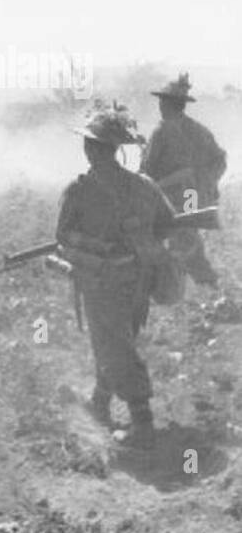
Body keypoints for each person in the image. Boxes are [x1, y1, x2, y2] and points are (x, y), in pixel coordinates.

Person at [57, 103, 177, 447]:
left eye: (88, 143)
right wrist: (138, 239)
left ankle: (143, 422)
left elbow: (63, 236)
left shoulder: (79, 189)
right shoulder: (144, 185)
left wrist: (95, 245)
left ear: (92, 148)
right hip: (140, 280)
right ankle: (100, 401)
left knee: (114, 346)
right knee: (116, 340)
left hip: (102, 281)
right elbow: (167, 224)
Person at [140, 73, 227, 288]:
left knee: (179, 240)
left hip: (169, 198)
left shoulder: (161, 131)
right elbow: (220, 161)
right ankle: (207, 281)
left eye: (162, 101)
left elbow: (146, 171)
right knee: (188, 234)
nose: (160, 105)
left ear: (168, 104)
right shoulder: (198, 130)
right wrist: (204, 184)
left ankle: (173, 284)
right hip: (192, 196)